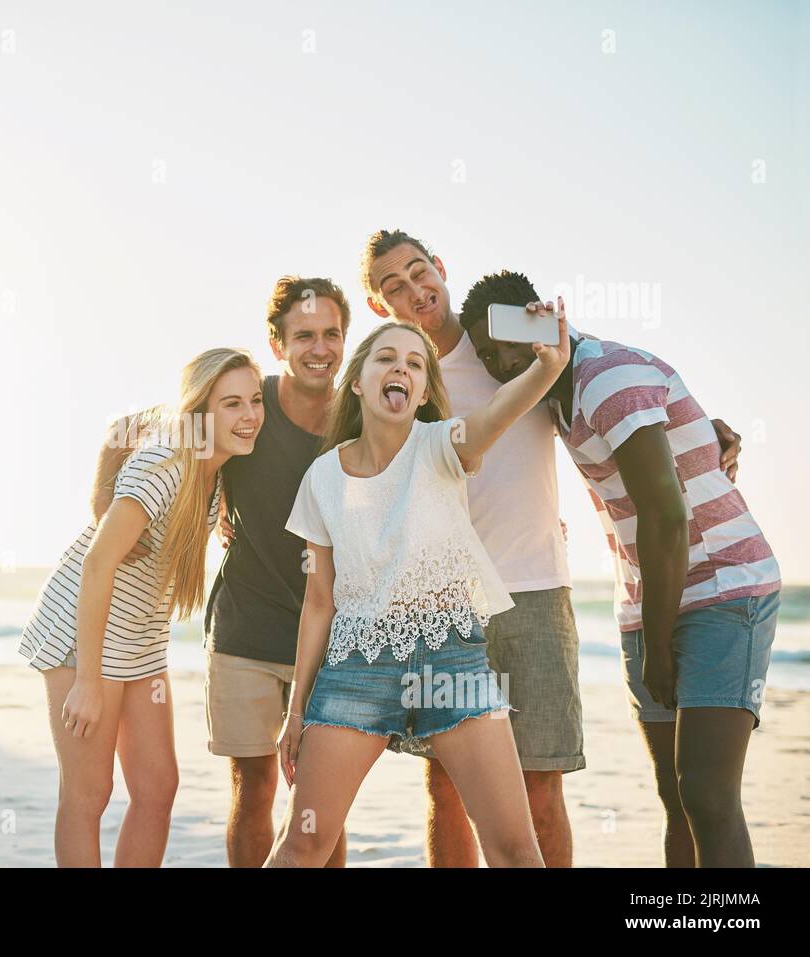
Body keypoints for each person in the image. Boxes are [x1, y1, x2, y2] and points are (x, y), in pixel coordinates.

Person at [358, 228, 743, 867]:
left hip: (535, 591)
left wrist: (703, 429)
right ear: (379, 306)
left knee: (542, 787)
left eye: (418, 271)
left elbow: (618, 375)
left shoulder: (513, 338)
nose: (412, 290)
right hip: (441, 604)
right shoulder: (402, 373)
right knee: (448, 789)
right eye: (391, 286)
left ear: (441, 268)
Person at [459, 269, 781, 867]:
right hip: (646, 599)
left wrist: (657, 647)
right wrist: (704, 431)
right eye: (485, 353)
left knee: (708, 796)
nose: (501, 360)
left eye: (506, 339)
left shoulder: (606, 376)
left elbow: (666, 517)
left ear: (539, 314)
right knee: (676, 797)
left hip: (723, 587)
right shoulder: (555, 387)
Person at [266, 315, 568, 867]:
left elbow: (496, 416)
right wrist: (295, 713)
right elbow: (318, 602)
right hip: (356, 666)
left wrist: (548, 367)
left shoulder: (441, 444)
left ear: (424, 390)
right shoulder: (322, 477)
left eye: (414, 363)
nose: (400, 368)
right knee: (304, 842)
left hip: (452, 661)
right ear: (357, 381)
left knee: (515, 849)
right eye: (386, 358)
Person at [89, 276, 355, 867]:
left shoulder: (357, 417)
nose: (319, 348)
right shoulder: (242, 400)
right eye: (304, 335)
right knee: (254, 789)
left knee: (321, 802)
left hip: (334, 639)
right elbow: (121, 432)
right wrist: (108, 510)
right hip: (245, 631)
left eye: (331, 334)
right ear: (277, 342)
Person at [18, 348, 264, 866]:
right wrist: (87, 679)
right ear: (200, 413)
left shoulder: (214, 473)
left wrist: (214, 519)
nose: (250, 417)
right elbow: (96, 566)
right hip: (83, 634)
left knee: (158, 790)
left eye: (256, 401)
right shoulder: (163, 467)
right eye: (233, 404)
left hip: (141, 639)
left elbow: (121, 426)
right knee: (89, 794)